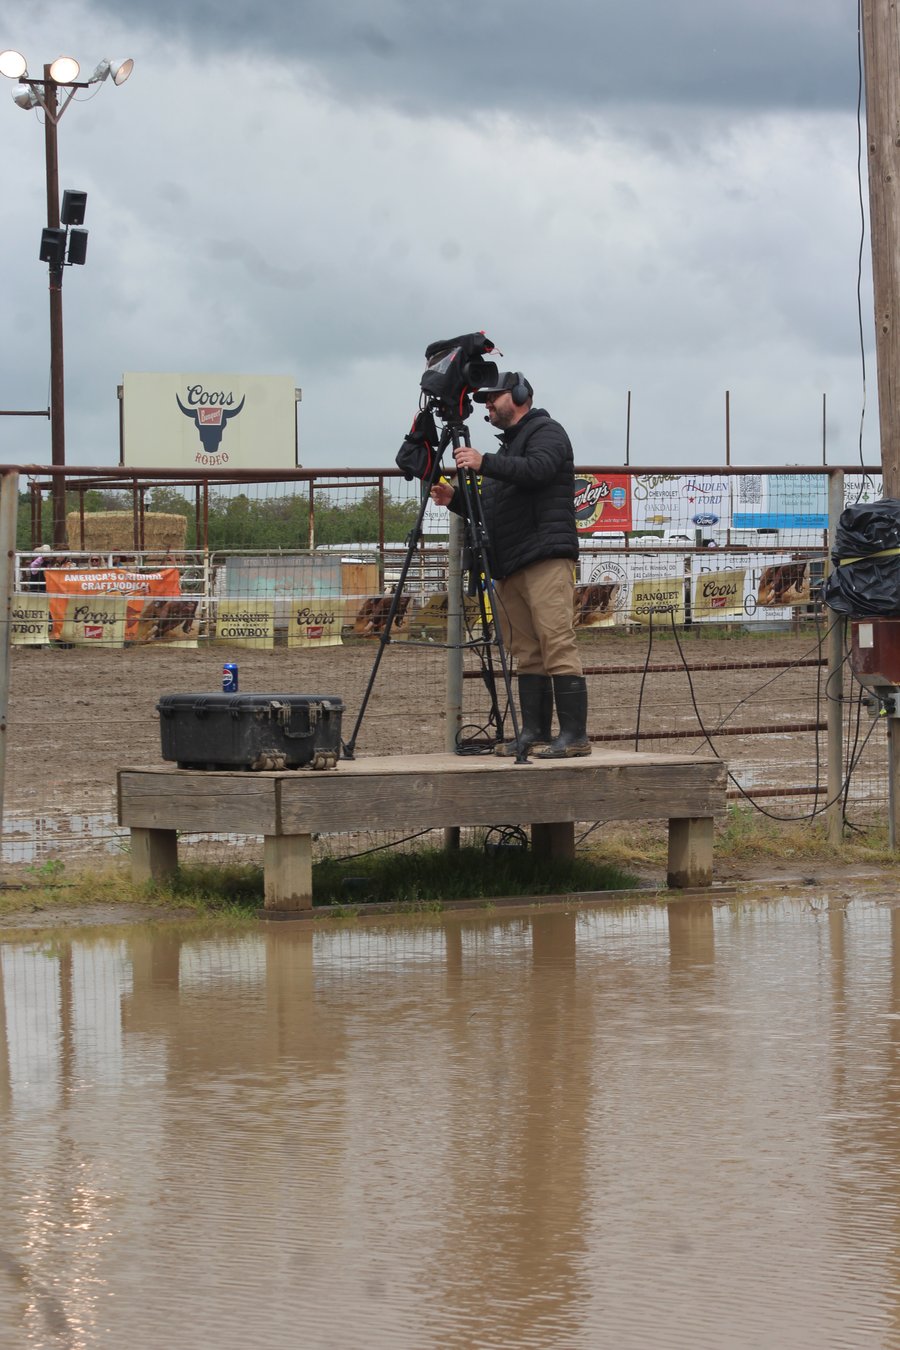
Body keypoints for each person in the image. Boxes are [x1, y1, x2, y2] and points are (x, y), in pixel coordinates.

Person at [429, 369, 590, 757]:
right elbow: (492, 508)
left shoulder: (547, 432)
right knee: (527, 650)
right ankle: (534, 731)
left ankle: (574, 737)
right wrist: (456, 501)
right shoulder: (505, 453)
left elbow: (537, 470)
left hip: (545, 557)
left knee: (555, 642)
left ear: (519, 395)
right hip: (514, 562)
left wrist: (484, 463)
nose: (487, 405)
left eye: (493, 398)